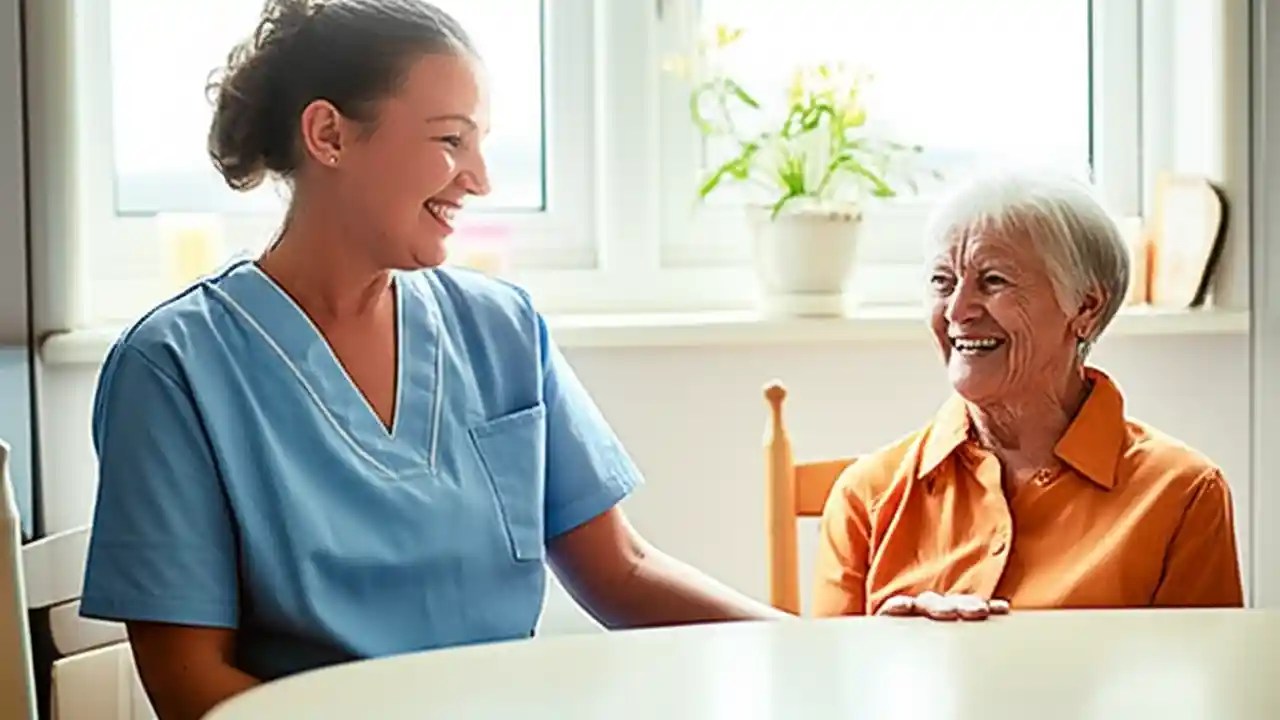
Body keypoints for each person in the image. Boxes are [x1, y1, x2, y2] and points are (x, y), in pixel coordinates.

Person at [79, 1, 785, 717]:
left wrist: (819, 647)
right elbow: (188, 685)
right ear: (328, 134)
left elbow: (624, 571)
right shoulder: (175, 367)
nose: (479, 178)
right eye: (451, 140)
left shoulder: (502, 329)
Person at [812, 170, 1244, 621]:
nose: (958, 311)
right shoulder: (867, 496)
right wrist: (890, 654)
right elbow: (828, 684)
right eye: (942, 282)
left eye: (993, 281)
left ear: (1085, 307)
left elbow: (1206, 684)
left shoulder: (1183, 494)